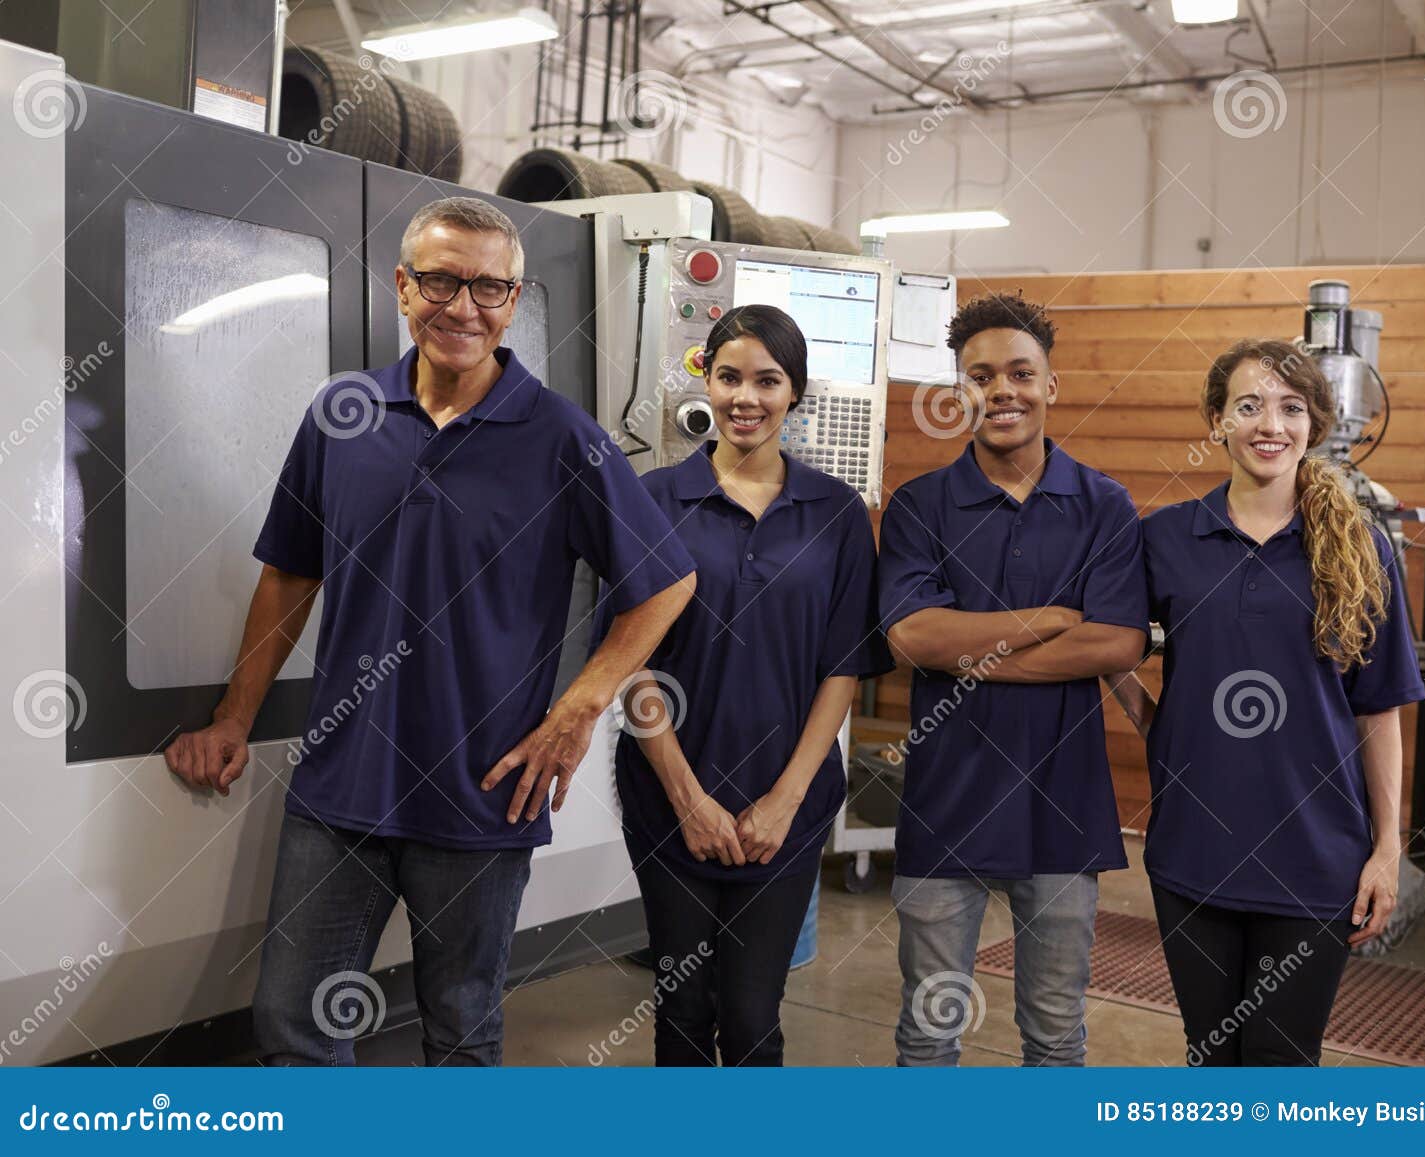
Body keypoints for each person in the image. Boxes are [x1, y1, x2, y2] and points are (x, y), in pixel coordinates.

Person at [163, 196, 697, 1065]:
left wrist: (581, 707)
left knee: (459, 1034)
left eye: (490, 287)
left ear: (513, 299)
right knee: (291, 1027)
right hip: (341, 788)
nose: (465, 306)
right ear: (405, 288)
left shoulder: (561, 435)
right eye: (443, 281)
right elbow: (290, 573)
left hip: (483, 792)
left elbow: (667, 581)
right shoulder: (344, 415)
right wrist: (233, 717)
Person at [1112, 338, 1425, 1066]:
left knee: (1281, 1063)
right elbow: (1109, 644)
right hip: (1193, 851)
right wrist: (1153, 721)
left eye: (1289, 407)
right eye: (1248, 405)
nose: (1269, 424)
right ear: (1216, 419)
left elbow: (1379, 711)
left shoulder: (1360, 547)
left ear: (1313, 424)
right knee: (1210, 1056)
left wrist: (1387, 848)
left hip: (1316, 861)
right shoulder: (1164, 538)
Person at [596, 304, 892, 1066]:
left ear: (795, 393)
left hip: (786, 804)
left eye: (768, 380)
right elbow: (631, 662)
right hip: (669, 795)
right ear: (707, 380)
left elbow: (844, 665)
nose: (745, 397)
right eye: (729, 376)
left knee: (753, 1012)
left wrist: (787, 799)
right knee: (683, 1008)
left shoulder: (836, 515)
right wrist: (688, 799)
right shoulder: (652, 500)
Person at [877, 292, 1148, 1066]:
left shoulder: (1104, 505)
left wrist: (977, 647)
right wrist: (1056, 618)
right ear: (959, 390)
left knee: (1056, 1034)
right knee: (928, 1032)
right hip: (946, 800)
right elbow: (915, 637)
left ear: (1051, 386)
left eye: (1021, 373)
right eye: (980, 375)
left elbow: (1118, 642)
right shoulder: (920, 506)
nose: (1002, 391)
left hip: (1065, 805)